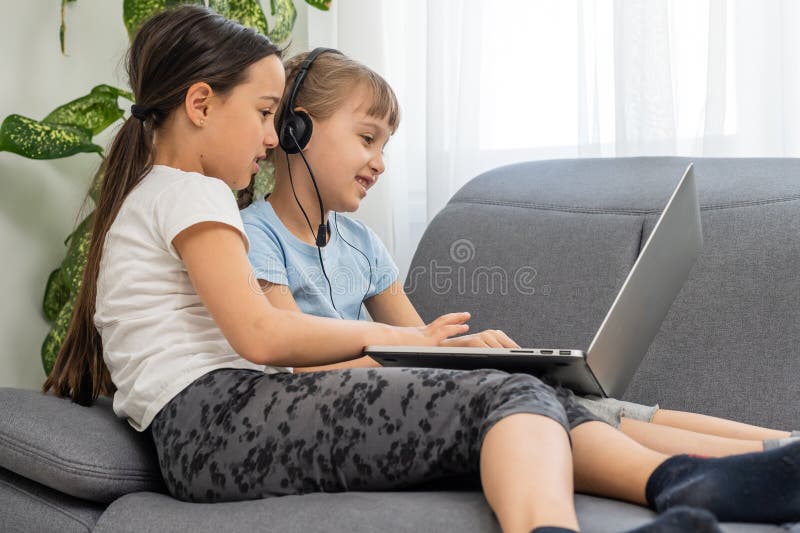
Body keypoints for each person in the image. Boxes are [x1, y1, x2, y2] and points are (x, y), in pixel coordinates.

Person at [41, 7, 800, 533]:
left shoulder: (167, 196)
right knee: (499, 393)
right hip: (221, 424)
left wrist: (420, 350)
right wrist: (396, 344)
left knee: (520, 390)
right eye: (266, 114)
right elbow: (263, 334)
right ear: (200, 105)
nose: (273, 138)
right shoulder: (193, 194)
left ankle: (689, 479)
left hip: (227, 422)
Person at [240, 48, 800, 461]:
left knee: (566, 393)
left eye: (386, 146)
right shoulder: (256, 236)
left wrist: (464, 352)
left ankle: (776, 445)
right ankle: (752, 461)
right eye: (368, 139)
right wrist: (417, 352)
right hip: (346, 410)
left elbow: (422, 342)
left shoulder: (361, 245)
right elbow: (296, 368)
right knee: (553, 409)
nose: (381, 162)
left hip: (402, 384)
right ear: (296, 130)